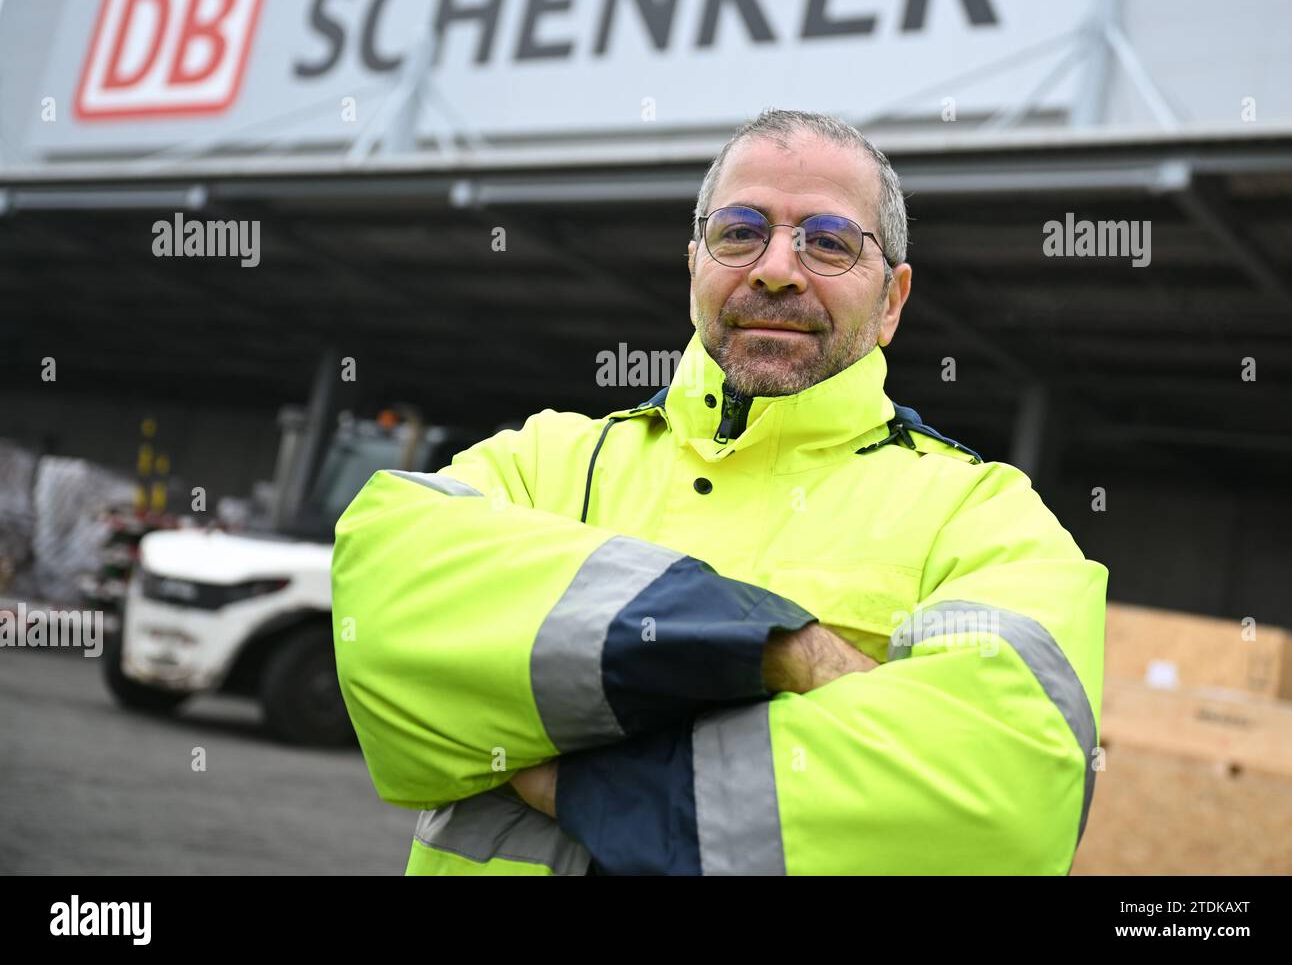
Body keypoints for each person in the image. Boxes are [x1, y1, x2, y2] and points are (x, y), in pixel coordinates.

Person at [331, 108, 1107, 875]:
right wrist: (777, 649)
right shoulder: (550, 458)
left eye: (828, 242)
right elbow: (384, 597)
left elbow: (1003, 796)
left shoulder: (983, 518)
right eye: (740, 232)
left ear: (892, 303)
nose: (775, 268)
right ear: (696, 265)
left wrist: (593, 790)